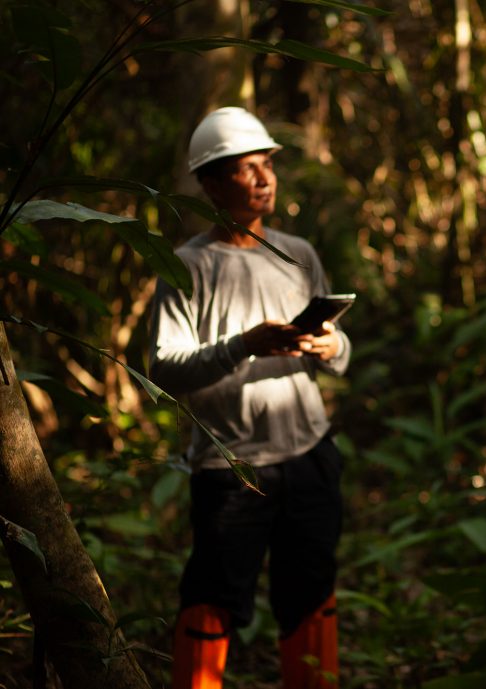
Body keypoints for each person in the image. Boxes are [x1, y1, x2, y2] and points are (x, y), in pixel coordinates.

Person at [149, 107, 350, 689]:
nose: (264, 178)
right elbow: (164, 370)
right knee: (213, 596)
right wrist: (245, 345)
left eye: (268, 165)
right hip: (231, 468)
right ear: (212, 184)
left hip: (309, 455)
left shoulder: (297, 254)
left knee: (311, 591)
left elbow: (343, 354)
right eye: (247, 169)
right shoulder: (187, 267)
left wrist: (328, 344)